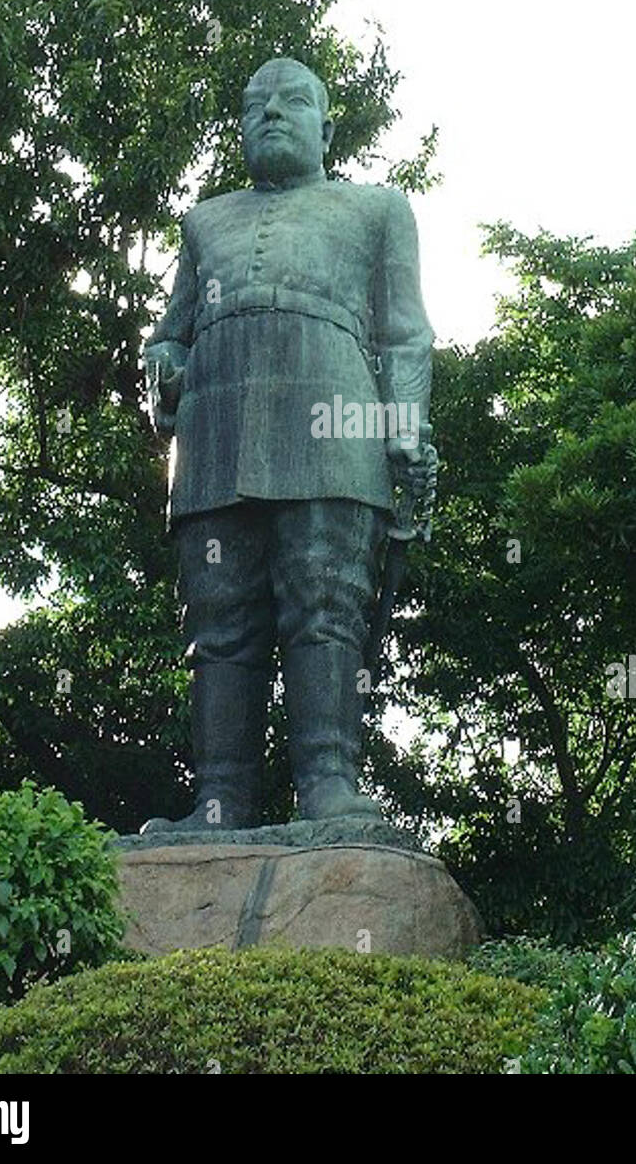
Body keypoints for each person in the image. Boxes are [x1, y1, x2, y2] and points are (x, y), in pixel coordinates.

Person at [142, 56, 433, 830]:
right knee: (218, 622)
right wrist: (163, 366)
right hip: (214, 432)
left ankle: (328, 783)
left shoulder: (376, 210)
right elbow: (169, 337)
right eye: (253, 105)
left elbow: (404, 334)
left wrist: (402, 428)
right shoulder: (205, 221)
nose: (270, 114)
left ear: (326, 126)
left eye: (292, 102)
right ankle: (218, 798)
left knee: (325, 600)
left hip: (334, 421)